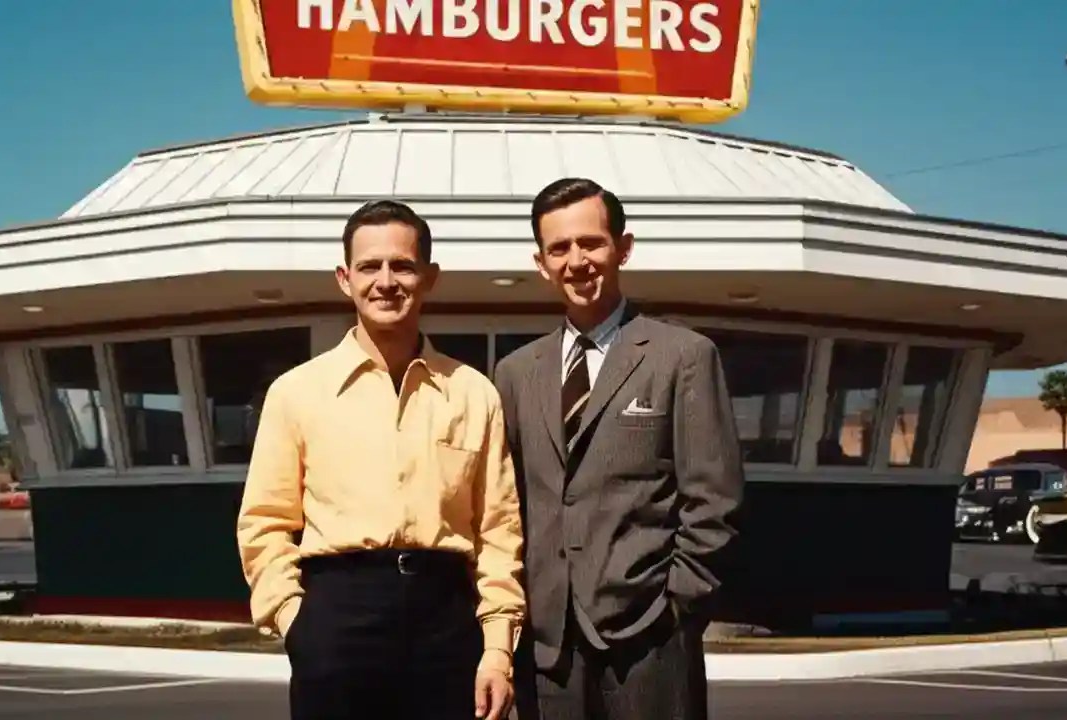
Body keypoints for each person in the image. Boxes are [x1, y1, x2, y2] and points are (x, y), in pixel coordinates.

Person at [237, 199, 524, 720]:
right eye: (370, 266)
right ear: (344, 279)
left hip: (447, 623)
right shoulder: (297, 393)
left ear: (430, 277)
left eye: (403, 265)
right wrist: (295, 620)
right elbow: (264, 523)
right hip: (336, 620)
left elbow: (499, 531)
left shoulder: (473, 393)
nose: (386, 281)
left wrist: (498, 649)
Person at [493, 178, 745, 720]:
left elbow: (714, 501)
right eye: (559, 248)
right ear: (540, 262)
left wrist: (675, 606)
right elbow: (509, 505)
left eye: (591, 243)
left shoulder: (683, 357)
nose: (577, 261)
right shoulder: (515, 374)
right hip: (548, 648)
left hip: (648, 641)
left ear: (623, 248)